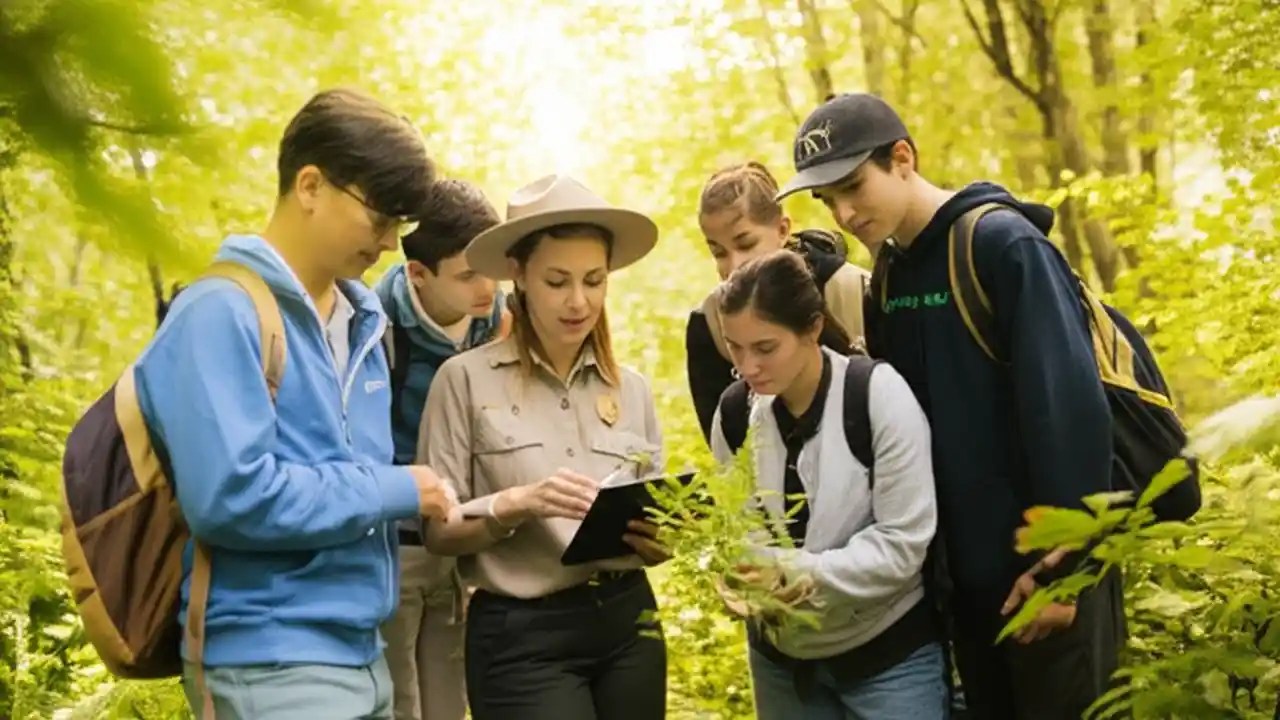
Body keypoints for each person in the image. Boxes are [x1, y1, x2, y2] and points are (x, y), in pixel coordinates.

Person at [776, 92, 1125, 719]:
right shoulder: (893, 274)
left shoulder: (1002, 246)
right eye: (828, 200)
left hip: (1045, 584)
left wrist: (1068, 574)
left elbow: (1070, 415)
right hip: (963, 591)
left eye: (854, 186)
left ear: (903, 158)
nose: (845, 212)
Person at [134, 88, 458, 719]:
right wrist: (396, 488)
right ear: (310, 185)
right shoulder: (219, 312)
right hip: (268, 658)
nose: (391, 243)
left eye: (402, 223)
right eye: (380, 217)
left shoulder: (363, 322)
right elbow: (233, 497)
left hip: (363, 656)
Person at [418, 174, 671, 720]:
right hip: (521, 637)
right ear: (519, 275)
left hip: (631, 625)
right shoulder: (462, 382)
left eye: (594, 280)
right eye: (557, 281)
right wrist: (515, 504)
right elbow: (438, 533)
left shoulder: (632, 390)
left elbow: (655, 525)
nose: (578, 302)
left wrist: (660, 540)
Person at [708, 250, 948, 719]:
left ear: (812, 329)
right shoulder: (735, 414)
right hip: (781, 665)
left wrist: (795, 572)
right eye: (735, 348)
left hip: (888, 659)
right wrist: (738, 573)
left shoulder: (878, 396)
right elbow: (739, 531)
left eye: (765, 347)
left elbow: (903, 544)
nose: (748, 367)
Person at [374, 178, 509, 720]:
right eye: (468, 274)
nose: (487, 287)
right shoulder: (376, 327)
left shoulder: (494, 316)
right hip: (395, 541)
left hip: (459, 536)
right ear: (418, 275)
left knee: (452, 700)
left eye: (491, 268)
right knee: (401, 699)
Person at [687, 162, 869, 444]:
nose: (734, 265)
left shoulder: (850, 291)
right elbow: (728, 454)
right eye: (719, 252)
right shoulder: (709, 323)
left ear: (783, 229)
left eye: (746, 244)